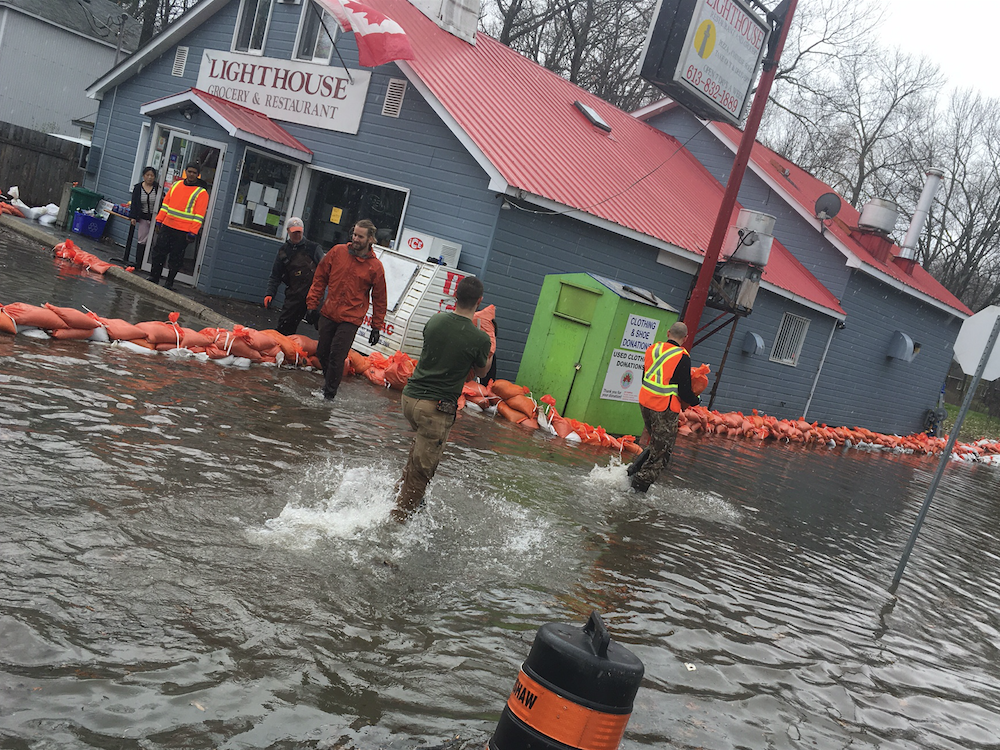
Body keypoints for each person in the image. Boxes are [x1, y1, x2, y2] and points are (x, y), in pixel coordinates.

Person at [393, 276, 493, 522]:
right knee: (422, 471)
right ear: (479, 301)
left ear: (455, 296)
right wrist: (490, 350)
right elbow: (481, 372)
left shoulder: (436, 320)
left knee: (418, 452)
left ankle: (398, 497)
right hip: (435, 408)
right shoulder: (479, 338)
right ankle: (397, 524)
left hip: (410, 398)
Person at [305, 219, 388, 401]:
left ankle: (329, 394)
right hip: (329, 312)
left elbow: (380, 298)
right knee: (322, 352)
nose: (355, 239)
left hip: (350, 319)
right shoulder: (337, 252)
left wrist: (376, 326)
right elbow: (320, 278)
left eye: (360, 236)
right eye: (354, 234)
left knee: (337, 355)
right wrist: (312, 305)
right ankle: (329, 384)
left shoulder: (375, 267)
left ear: (370, 239)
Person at [629, 321, 701, 493]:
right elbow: (684, 390)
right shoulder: (683, 357)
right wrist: (696, 399)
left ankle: (632, 471)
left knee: (656, 444)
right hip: (664, 408)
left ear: (668, 333)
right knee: (662, 453)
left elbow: (645, 375)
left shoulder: (652, 349)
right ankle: (637, 489)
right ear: (686, 338)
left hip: (645, 402)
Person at [149, 163, 209, 290]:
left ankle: (169, 282)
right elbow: (166, 205)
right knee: (159, 252)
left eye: (194, 172)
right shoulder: (176, 185)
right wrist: (159, 220)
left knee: (176, 258)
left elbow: (199, 215)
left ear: (198, 175)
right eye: (189, 171)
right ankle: (154, 277)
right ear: (185, 171)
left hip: (183, 231)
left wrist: (193, 232)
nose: (191, 174)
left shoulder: (201, 192)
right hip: (167, 225)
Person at [264, 217, 324, 336]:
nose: (297, 235)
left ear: (303, 231)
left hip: (314, 294)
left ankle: (325, 352)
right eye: (294, 232)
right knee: (283, 329)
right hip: (294, 296)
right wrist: (270, 293)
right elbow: (275, 275)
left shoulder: (314, 248)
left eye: (299, 232)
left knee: (324, 327)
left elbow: (326, 270)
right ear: (288, 231)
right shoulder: (283, 251)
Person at [128, 167, 160, 246]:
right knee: (142, 240)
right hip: (143, 217)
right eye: (147, 175)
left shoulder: (158, 188)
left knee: (155, 241)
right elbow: (134, 203)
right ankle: (140, 258)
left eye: (152, 176)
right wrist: (133, 217)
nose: (149, 177)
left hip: (155, 218)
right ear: (143, 176)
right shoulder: (138, 188)